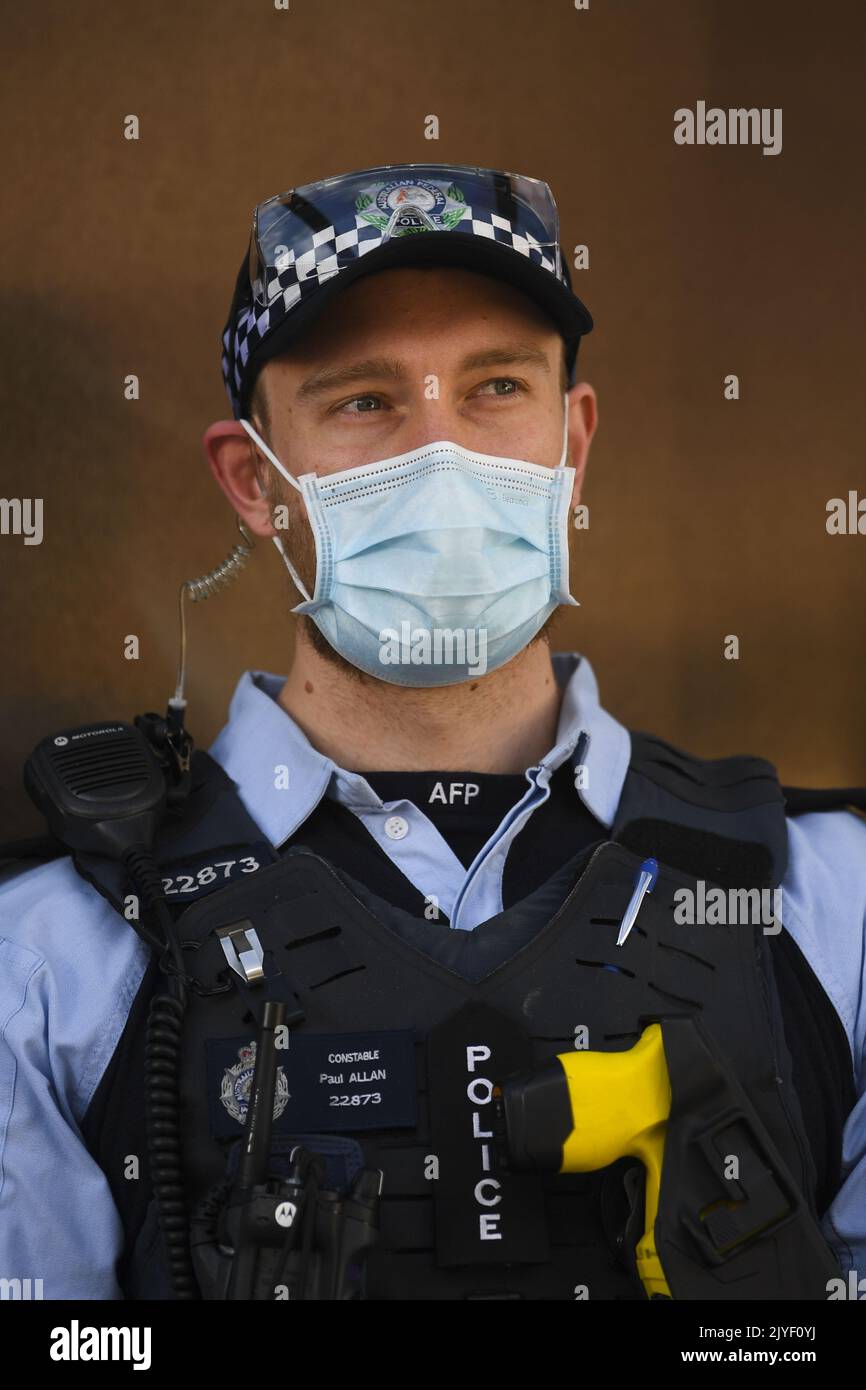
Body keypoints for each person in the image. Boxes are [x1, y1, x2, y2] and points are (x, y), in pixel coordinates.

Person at [1, 163, 864, 1302]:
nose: (438, 455)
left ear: (573, 445)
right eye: (364, 401)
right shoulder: (51, 960)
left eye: (496, 386)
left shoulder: (830, 904)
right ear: (254, 484)